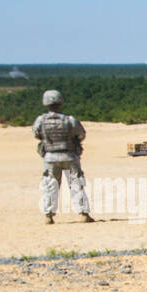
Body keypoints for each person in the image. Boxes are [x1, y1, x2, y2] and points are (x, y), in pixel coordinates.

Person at [32, 90, 92, 224]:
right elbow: (81, 134)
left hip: (50, 157)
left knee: (50, 185)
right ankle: (83, 213)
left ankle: (48, 215)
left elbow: (36, 134)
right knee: (76, 183)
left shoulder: (40, 120)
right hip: (69, 155)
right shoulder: (69, 120)